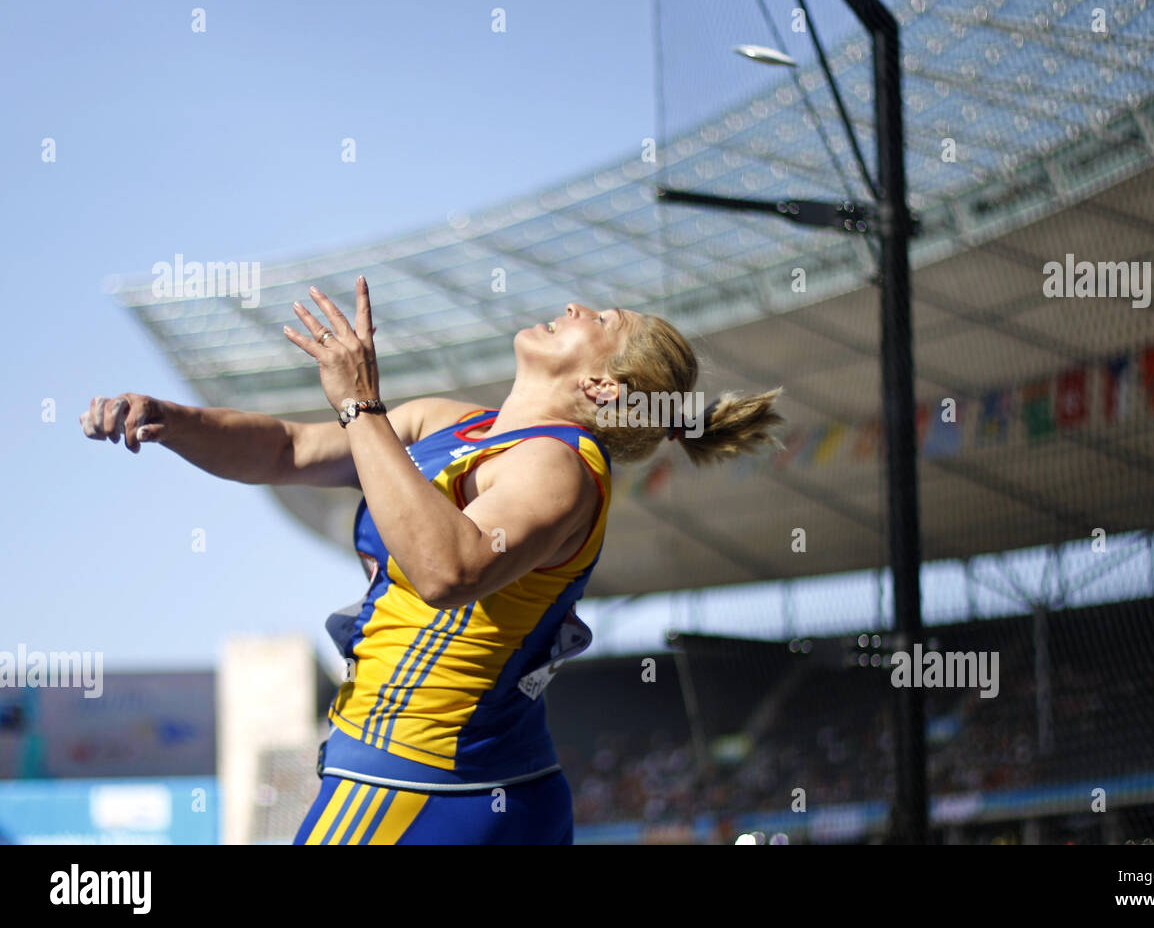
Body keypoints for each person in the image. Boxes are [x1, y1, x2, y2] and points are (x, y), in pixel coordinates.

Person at [82, 277, 784, 843]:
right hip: (463, 779)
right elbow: (285, 449)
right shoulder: (451, 423)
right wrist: (170, 419)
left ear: (602, 388)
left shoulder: (562, 467)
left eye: (600, 319)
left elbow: (449, 570)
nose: (574, 304)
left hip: (422, 779)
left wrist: (360, 402)